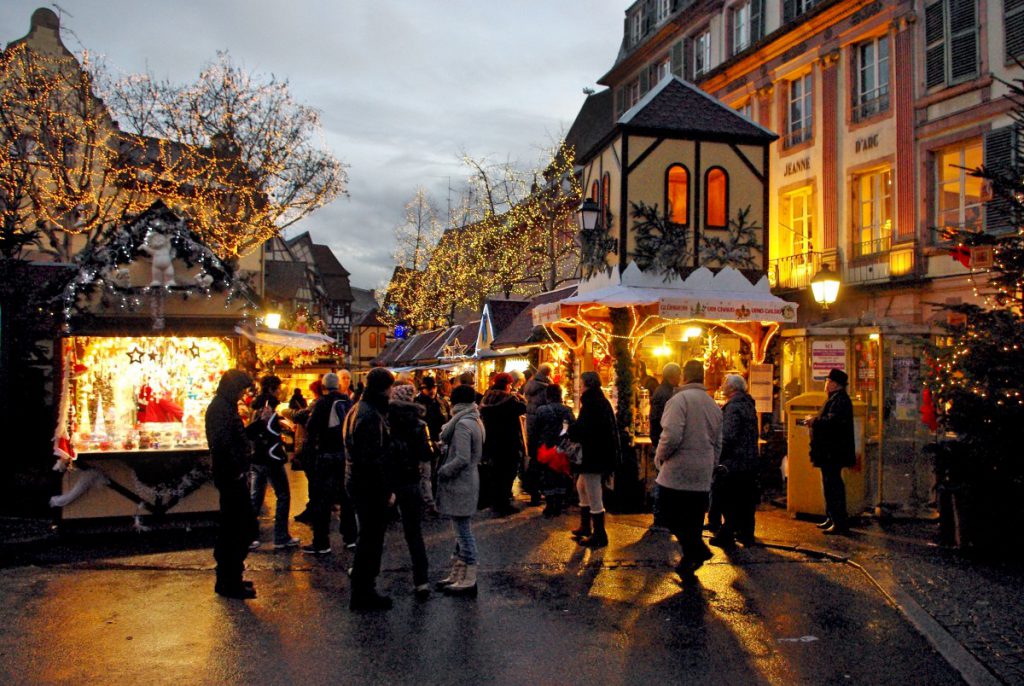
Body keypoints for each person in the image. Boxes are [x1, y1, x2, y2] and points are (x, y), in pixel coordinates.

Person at [654, 360, 723, 580]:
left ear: (684, 376)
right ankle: (688, 559)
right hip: (702, 471)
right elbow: (718, 441)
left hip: (677, 470)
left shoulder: (679, 400)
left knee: (668, 513)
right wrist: (712, 464)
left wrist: (660, 457)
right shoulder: (712, 404)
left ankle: (697, 550)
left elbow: (671, 435)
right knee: (693, 518)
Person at [206, 369, 264, 599]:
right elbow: (223, 445)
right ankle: (229, 580)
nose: (242, 394)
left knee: (237, 528)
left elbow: (235, 438)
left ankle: (231, 577)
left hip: (232, 474)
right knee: (238, 528)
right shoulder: (220, 409)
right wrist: (237, 470)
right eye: (240, 389)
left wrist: (258, 426)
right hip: (231, 476)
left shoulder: (224, 407)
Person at [344, 367, 396, 610]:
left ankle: (364, 588)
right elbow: (372, 458)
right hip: (368, 486)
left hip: (358, 481)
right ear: (385, 387)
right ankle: (364, 592)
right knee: (370, 538)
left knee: (368, 536)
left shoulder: (358, 408)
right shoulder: (370, 415)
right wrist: (385, 491)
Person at [435, 383, 485, 597]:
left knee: (463, 532)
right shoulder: (474, 420)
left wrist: (443, 470)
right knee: (460, 531)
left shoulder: (463, 424)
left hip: (461, 482)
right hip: (468, 480)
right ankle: (458, 573)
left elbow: (462, 458)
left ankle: (469, 577)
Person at [386, 381, 435, 600]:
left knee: (375, 531)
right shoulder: (418, 424)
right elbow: (426, 455)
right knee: (414, 533)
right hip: (411, 482)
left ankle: (367, 571)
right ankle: (421, 581)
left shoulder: (386, 422)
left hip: (388, 481)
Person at [303, 371, 357, 556]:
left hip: (326, 456)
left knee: (322, 500)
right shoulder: (347, 402)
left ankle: (322, 542)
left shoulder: (322, 404)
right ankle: (350, 537)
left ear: (324, 387)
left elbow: (311, 428)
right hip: (343, 455)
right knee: (346, 497)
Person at [249, 375, 300, 551]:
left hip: (257, 458)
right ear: (272, 389)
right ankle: (281, 536)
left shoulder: (256, 407)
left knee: (255, 497)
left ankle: (248, 536)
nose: (280, 391)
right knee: (283, 495)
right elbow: (267, 430)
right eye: (278, 388)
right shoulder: (267, 407)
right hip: (271, 459)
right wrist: (280, 434)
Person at [568, 372, 620, 547]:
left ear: (587, 384)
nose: (579, 386)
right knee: (582, 485)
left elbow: (586, 428)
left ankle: (599, 533)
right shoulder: (599, 401)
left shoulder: (592, 403)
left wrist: (571, 430)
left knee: (592, 489)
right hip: (598, 452)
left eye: (581, 383)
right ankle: (585, 526)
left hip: (595, 453)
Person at [709, 374, 760, 548]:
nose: (722, 386)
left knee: (729, 498)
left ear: (731, 388)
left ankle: (727, 534)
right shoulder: (747, 404)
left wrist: (719, 456)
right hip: (749, 459)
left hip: (734, 461)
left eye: (724, 383)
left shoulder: (733, 407)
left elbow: (728, 435)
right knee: (745, 499)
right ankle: (746, 534)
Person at [806, 368, 856, 536]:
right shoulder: (835, 399)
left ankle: (839, 521)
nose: (825, 384)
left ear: (835, 384)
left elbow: (833, 422)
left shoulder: (840, 401)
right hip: (830, 451)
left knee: (833, 485)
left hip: (833, 452)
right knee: (829, 483)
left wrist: (815, 420)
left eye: (827, 381)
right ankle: (832, 517)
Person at [479, 372, 527, 516]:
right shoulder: (510, 400)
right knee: (507, 473)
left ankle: (496, 502)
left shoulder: (486, 399)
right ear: (507, 384)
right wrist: (521, 399)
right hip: (508, 441)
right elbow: (523, 409)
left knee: (496, 473)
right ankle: (503, 504)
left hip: (491, 441)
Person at [648, 363, 682, 532]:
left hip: (660, 439)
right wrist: (660, 440)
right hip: (662, 440)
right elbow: (661, 420)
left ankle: (662, 517)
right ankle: (660, 518)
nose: (680, 378)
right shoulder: (665, 394)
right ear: (672, 376)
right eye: (678, 375)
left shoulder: (663, 392)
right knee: (663, 481)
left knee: (663, 480)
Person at [534, 383, 575, 518]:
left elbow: (535, 431)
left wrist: (533, 447)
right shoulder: (567, 410)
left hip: (546, 448)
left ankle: (550, 504)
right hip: (562, 448)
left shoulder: (541, 410)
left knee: (547, 476)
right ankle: (559, 503)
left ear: (547, 396)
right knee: (561, 475)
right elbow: (572, 429)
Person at [522, 363, 553, 505]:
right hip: (543, 429)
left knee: (534, 458)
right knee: (545, 459)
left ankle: (534, 492)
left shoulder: (530, 385)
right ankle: (546, 492)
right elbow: (549, 409)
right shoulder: (546, 387)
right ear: (548, 373)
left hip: (531, 426)